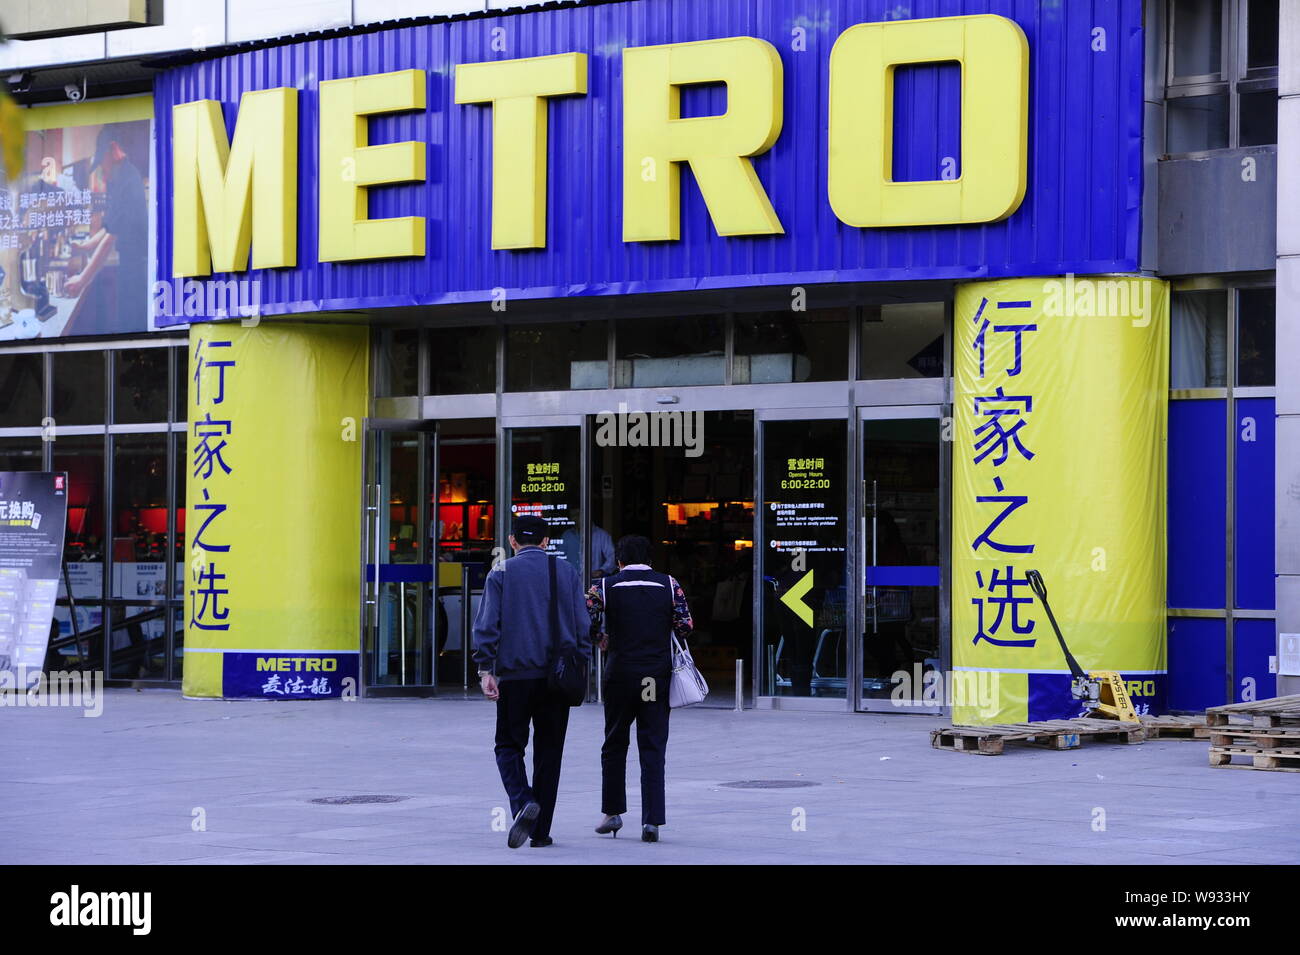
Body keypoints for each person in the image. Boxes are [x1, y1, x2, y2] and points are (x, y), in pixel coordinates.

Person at [472, 514, 591, 849]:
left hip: (515, 676)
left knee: (509, 745)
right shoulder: (565, 572)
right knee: (549, 752)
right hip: (557, 677)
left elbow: (486, 626)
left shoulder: (501, 573)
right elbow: (582, 626)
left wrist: (485, 669)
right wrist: (578, 662)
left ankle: (523, 801)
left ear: (512, 541)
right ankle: (541, 832)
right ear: (545, 541)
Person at [585, 534, 693, 843]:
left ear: (619, 561)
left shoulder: (604, 586)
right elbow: (685, 625)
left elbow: (584, 617)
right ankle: (652, 821)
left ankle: (612, 812)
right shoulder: (669, 585)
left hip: (620, 675)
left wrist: (599, 638)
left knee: (615, 743)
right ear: (650, 560)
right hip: (654, 676)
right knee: (652, 745)